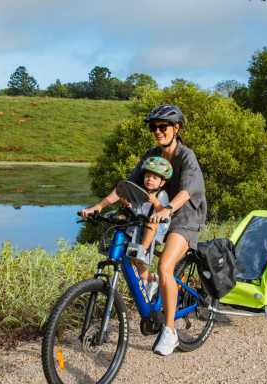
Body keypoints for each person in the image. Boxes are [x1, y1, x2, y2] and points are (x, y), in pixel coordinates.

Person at [80, 103, 207, 356]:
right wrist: (99, 206)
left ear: (176, 128)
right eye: (154, 127)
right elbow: (125, 187)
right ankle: (150, 283)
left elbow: (186, 191)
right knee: (132, 249)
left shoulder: (186, 156)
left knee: (165, 267)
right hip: (155, 212)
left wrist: (167, 209)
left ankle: (170, 331)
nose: (158, 131)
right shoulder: (152, 155)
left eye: (163, 127)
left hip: (186, 215)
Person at [123, 156, 173, 300]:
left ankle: (143, 254)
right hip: (141, 228)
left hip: (155, 229)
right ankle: (151, 279)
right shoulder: (141, 192)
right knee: (134, 262)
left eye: (154, 178)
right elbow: (138, 209)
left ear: (162, 182)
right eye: (147, 176)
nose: (149, 179)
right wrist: (129, 205)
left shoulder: (161, 195)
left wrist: (155, 200)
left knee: (139, 260)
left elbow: (163, 211)